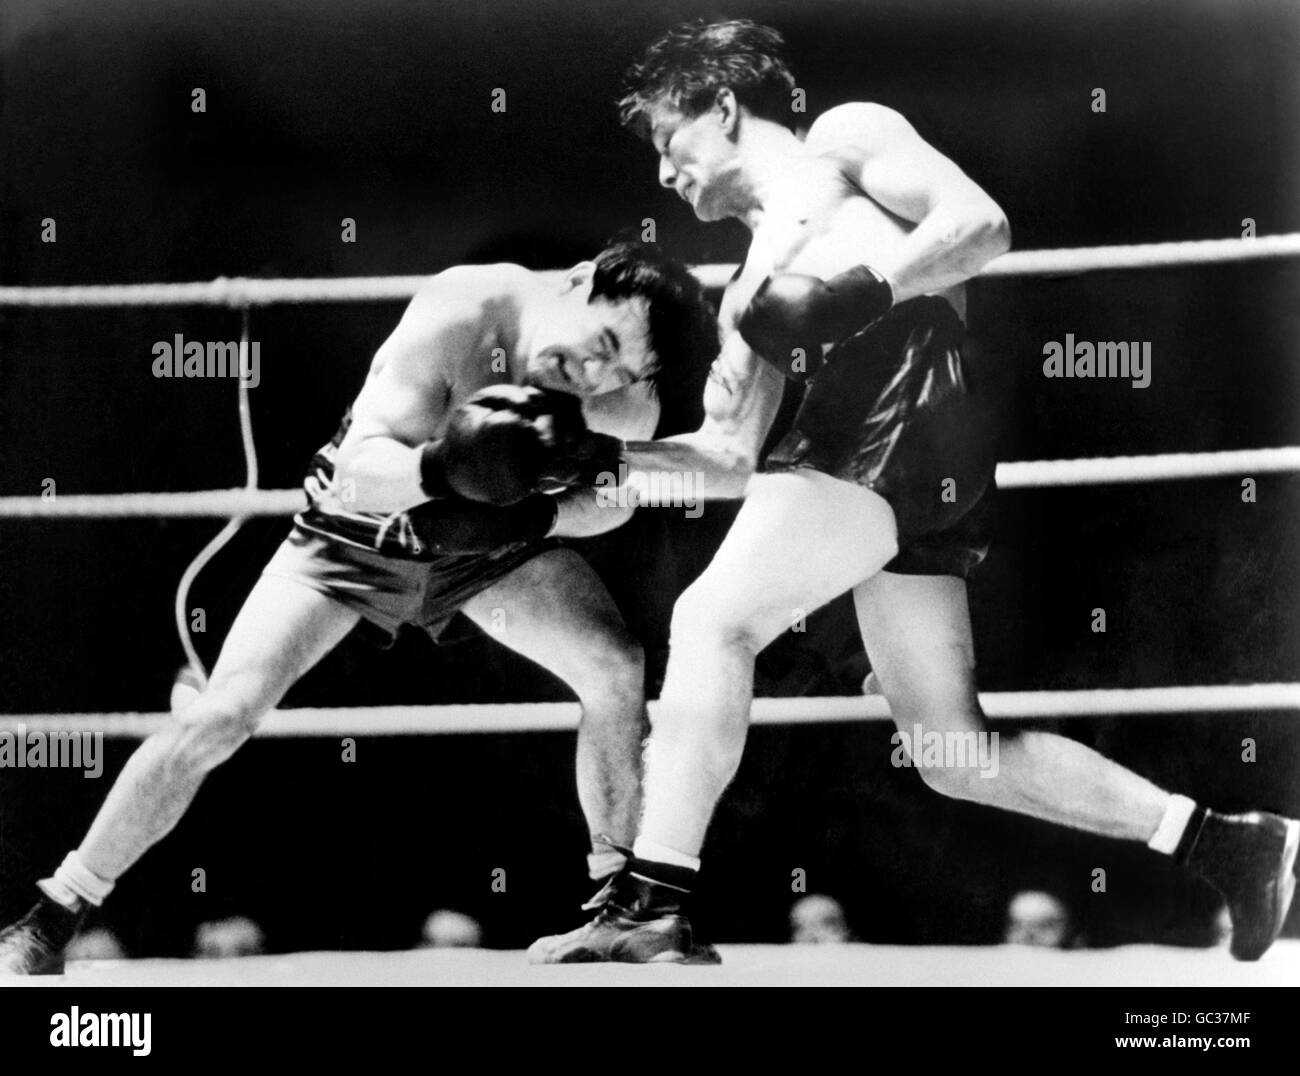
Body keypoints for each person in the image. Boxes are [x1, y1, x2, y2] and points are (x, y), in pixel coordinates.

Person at [528, 19, 1298, 964]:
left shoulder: (843, 138)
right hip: (873, 461)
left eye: (666, 140)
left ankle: (652, 897)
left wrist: (855, 291)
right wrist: (590, 457)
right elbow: (727, 454)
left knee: (711, 619)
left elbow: (981, 224)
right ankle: (1224, 839)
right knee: (949, 753)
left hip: (906, 406)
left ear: (722, 106)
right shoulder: (743, 290)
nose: (663, 175)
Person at [0, 241, 719, 974]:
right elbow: (356, 476)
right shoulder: (461, 310)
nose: (594, 377)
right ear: (574, 283)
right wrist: (446, 467)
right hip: (360, 530)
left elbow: (616, 502)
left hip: (489, 547)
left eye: (620, 370)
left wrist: (535, 518)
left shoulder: (624, 391)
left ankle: (621, 908)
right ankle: (52, 915)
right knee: (222, 716)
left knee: (613, 665)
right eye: (599, 345)